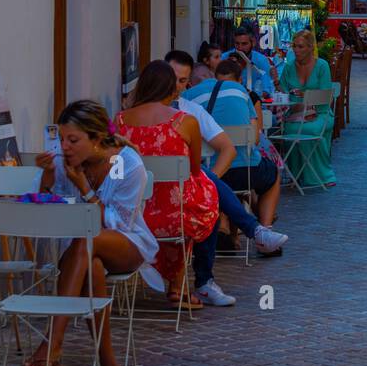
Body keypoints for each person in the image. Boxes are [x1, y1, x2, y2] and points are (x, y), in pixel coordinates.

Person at [24, 101, 160, 366]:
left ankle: (53, 339)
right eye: (62, 139)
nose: (65, 147)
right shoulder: (64, 163)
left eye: (73, 140)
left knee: (89, 239)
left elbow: (115, 224)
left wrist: (84, 187)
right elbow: (51, 204)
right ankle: (109, 365)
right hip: (82, 253)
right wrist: (47, 176)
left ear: (97, 139)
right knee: (91, 262)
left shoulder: (128, 164)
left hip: (126, 244)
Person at [166, 51, 288, 291]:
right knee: (267, 173)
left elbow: (225, 149)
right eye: (174, 79)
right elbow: (252, 137)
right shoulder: (241, 93)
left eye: (182, 81)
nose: (177, 87)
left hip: (188, 183)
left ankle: (229, 230)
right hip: (222, 176)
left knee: (209, 188)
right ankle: (260, 231)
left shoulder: (190, 107)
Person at [116, 62, 219, 309]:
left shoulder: (119, 121)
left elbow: (116, 169)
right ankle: (179, 285)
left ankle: (173, 282)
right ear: (171, 88)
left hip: (132, 213)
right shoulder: (185, 121)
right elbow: (193, 170)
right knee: (204, 194)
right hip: (174, 216)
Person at [187, 57, 284, 236]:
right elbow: (254, 138)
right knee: (273, 174)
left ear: (189, 82)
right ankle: (265, 229)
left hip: (208, 173)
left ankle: (224, 227)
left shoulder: (185, 99)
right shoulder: (240, 90)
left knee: (224, 181)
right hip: (247, 171)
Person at [277, 29, 336, 190]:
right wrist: (276, 83)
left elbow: (325, 98)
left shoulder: (321, 66)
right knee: (289, 128)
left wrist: (304, 95)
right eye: (294, 46)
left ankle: (322, 175)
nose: (296, 50)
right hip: (295, 114)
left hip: (321, 113)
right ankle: (298, 175)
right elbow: (281, 92)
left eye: (301, 47)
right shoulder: (289, 67)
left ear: (311, 48)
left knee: (311, 129)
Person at [233, 23, 276, 97]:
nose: (240, 48)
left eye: (244, 44)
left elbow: (267, 88)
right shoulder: (225, 58)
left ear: (253, 43)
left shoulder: (261, 60)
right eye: (237, 44)